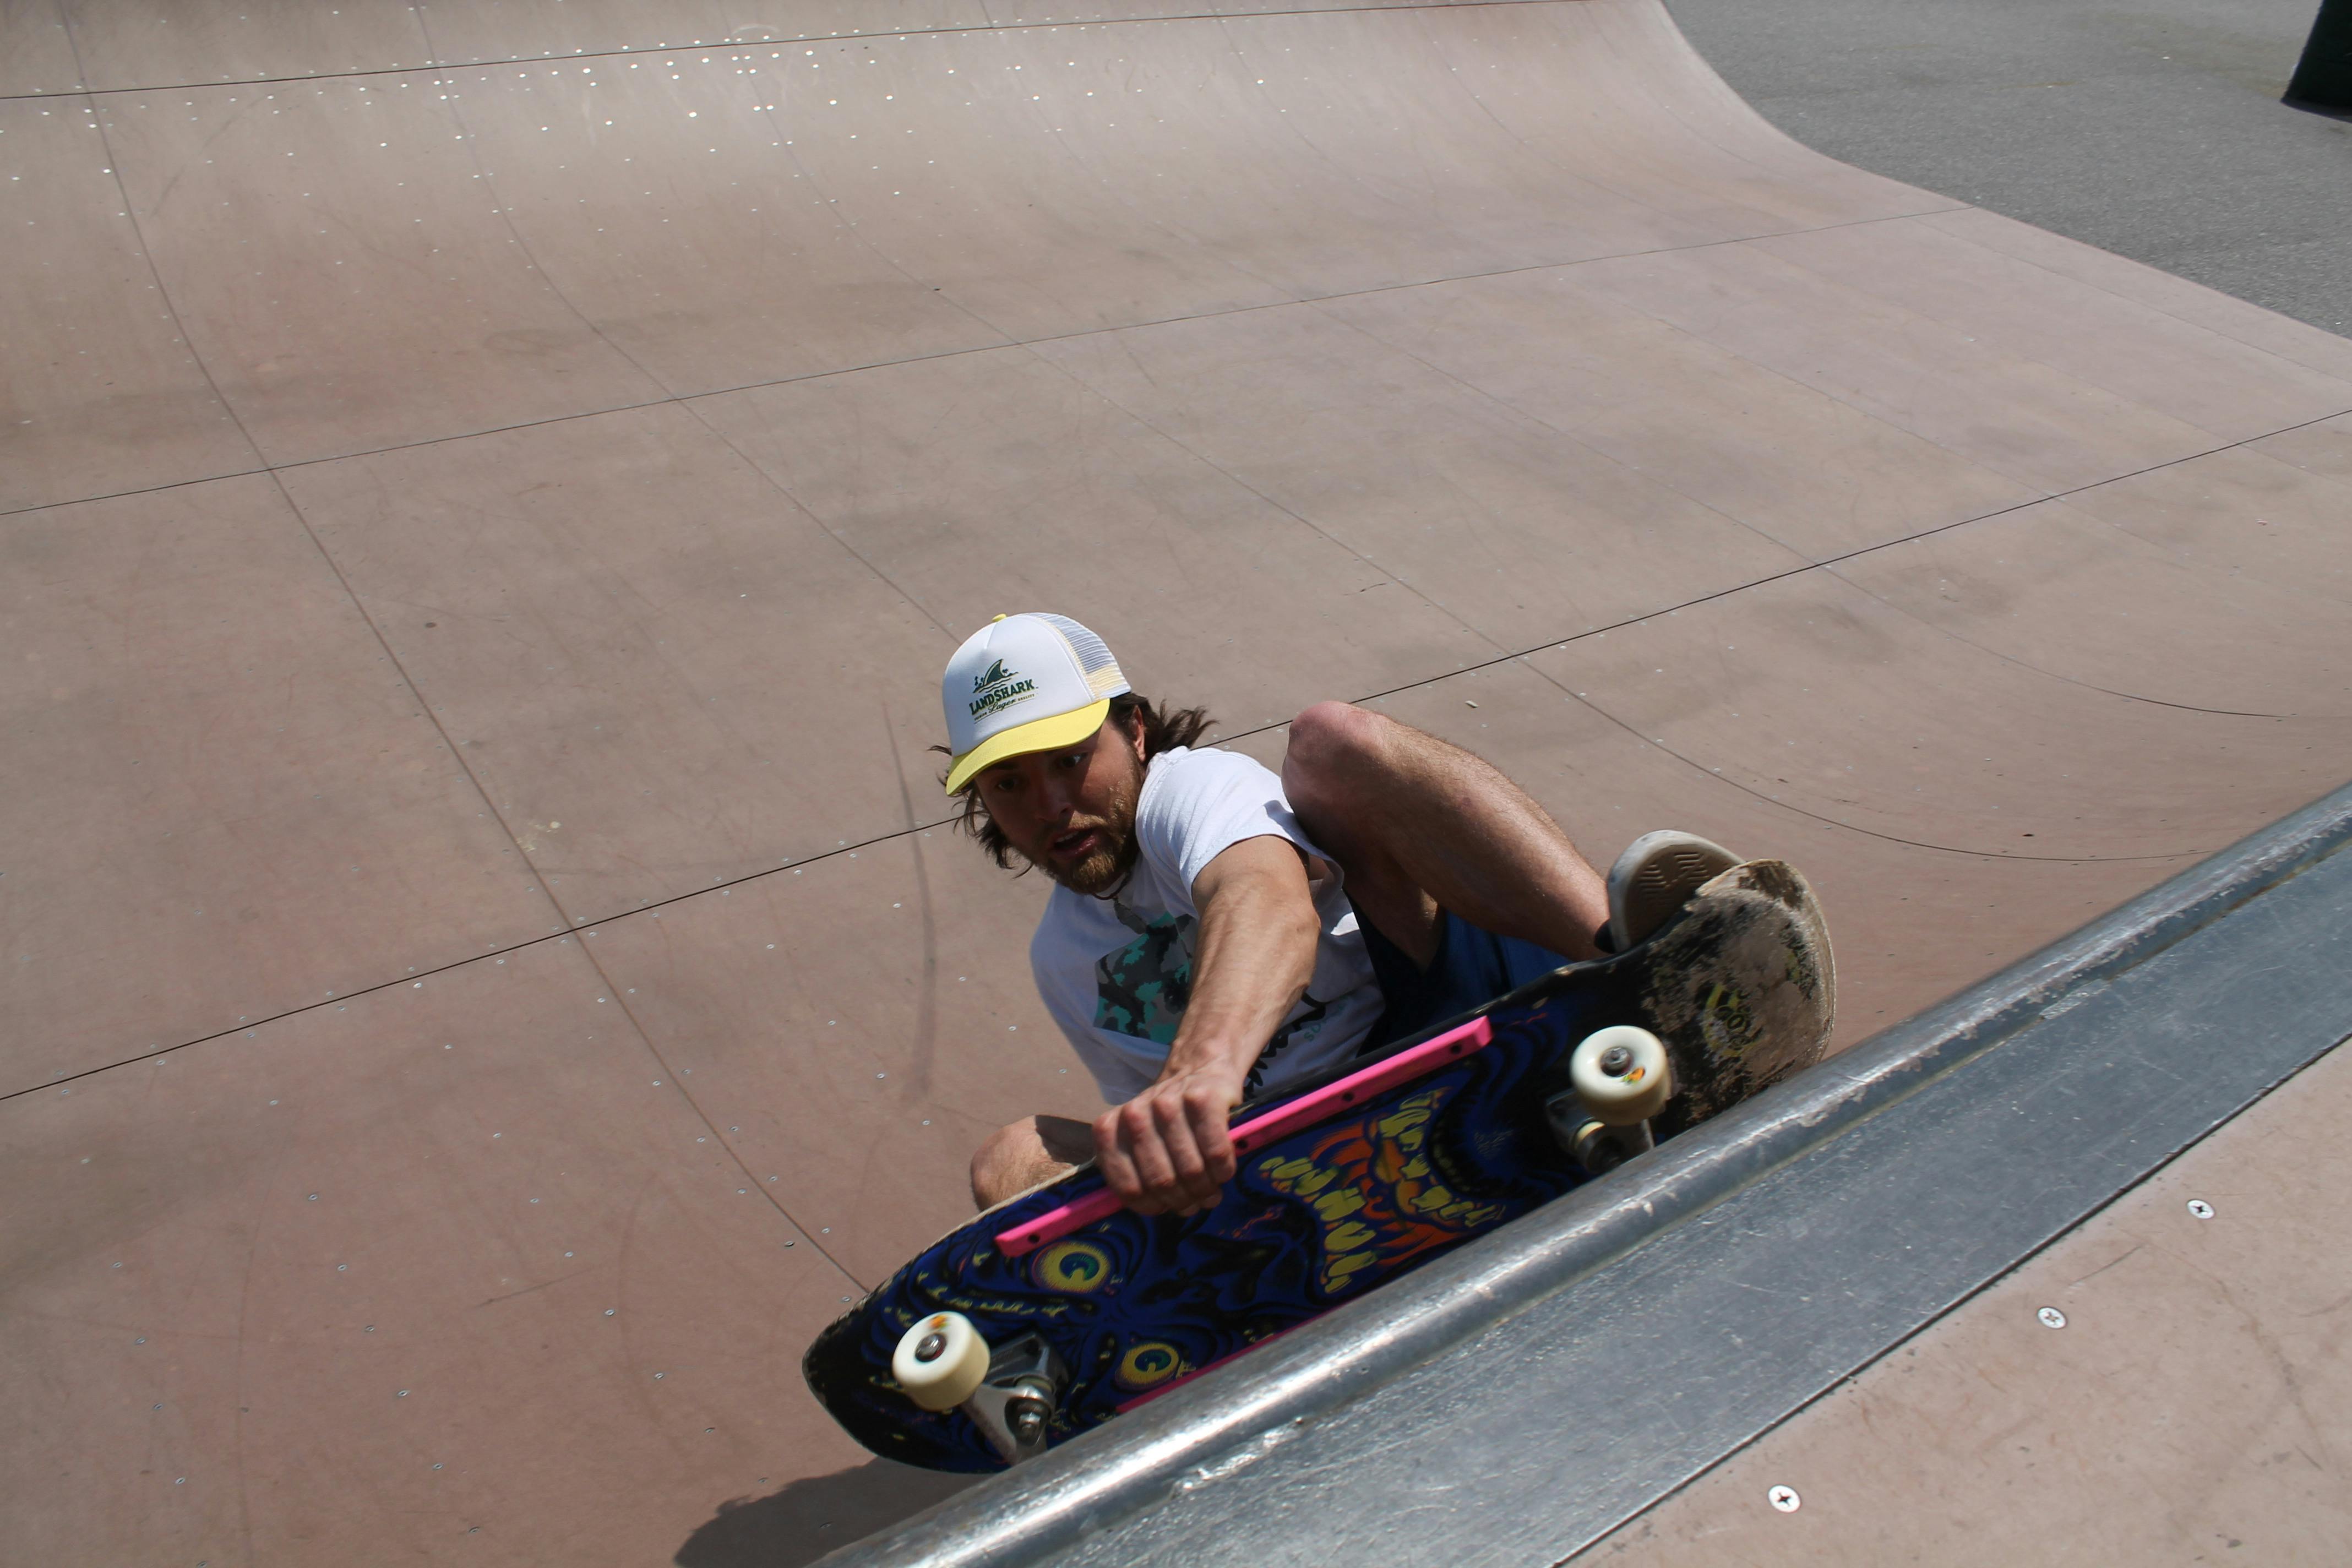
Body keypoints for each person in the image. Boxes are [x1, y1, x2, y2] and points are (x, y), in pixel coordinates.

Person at [944, 613, 1737, 1217]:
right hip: (1299, 1162)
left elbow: (1264, 898)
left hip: (1434, 1021)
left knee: (1332, 743)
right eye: (1010, 784)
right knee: (1010, 1161)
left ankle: (1647, 962)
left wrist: (1204, 1070)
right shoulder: (1060, 960)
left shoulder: (1191, 793)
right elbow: (1149, 1118)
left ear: (1136, 732)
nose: (1050, 805)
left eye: (1071, 761)